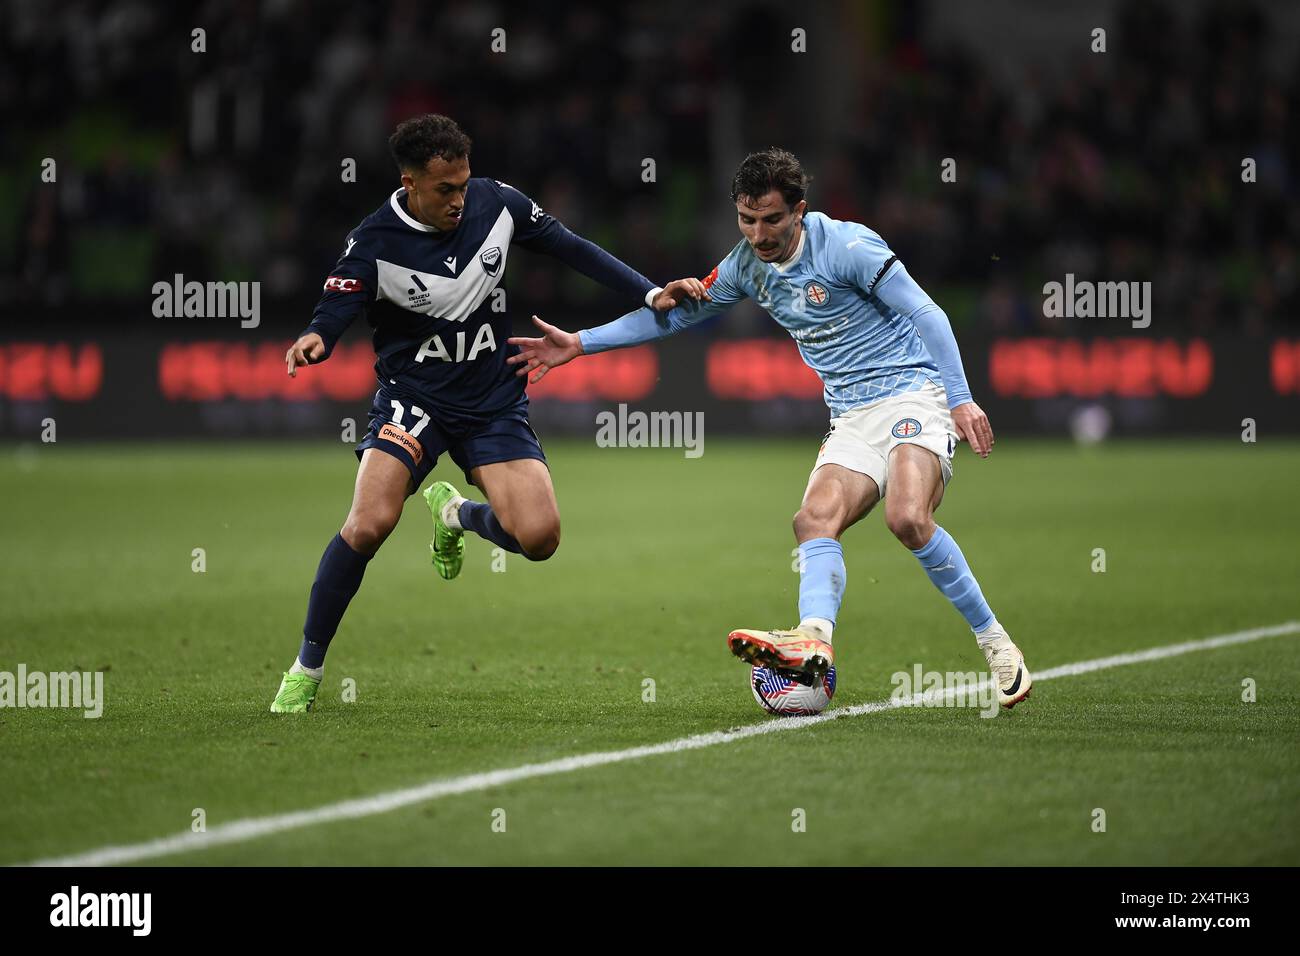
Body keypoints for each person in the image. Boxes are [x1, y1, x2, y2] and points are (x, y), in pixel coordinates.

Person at [507, 148, 1031, 708]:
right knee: (813, 519)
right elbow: (676, 315)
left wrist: (961, 400)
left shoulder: (849, 246)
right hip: (852, 414)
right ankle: (815, 641)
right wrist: (580, 343)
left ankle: (996, 643)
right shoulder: (745, 266)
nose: (758, 234)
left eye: (773, 219)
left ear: (799, 211)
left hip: (913, 394)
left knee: (906, 517)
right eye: (747, 219)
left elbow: (929, 314)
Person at [271, 114, 699, 713]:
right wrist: (317, 338)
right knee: (368, 524)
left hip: (492, 399)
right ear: (409, 183)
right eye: (444, 189)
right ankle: (305, 670)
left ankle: (456, 514)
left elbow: (571, 247)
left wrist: (650, 293)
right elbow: (335, 305)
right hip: (414, 400)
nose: (458, 199)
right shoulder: (374, 242)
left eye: (463, 184)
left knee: (541, 538)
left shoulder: (497, 205)